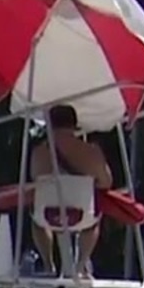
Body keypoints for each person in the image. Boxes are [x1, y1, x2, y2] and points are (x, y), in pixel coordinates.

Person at [29, 104, 113, 278]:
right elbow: (106, 182)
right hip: (82, 218)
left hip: (48, 217)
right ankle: (81, 264)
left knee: (36, 219)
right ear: (74, 126)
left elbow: (34, 179)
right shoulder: (91, 151)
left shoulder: (38, 153)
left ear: (49, 125)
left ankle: (48, 263)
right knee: (95, 220)